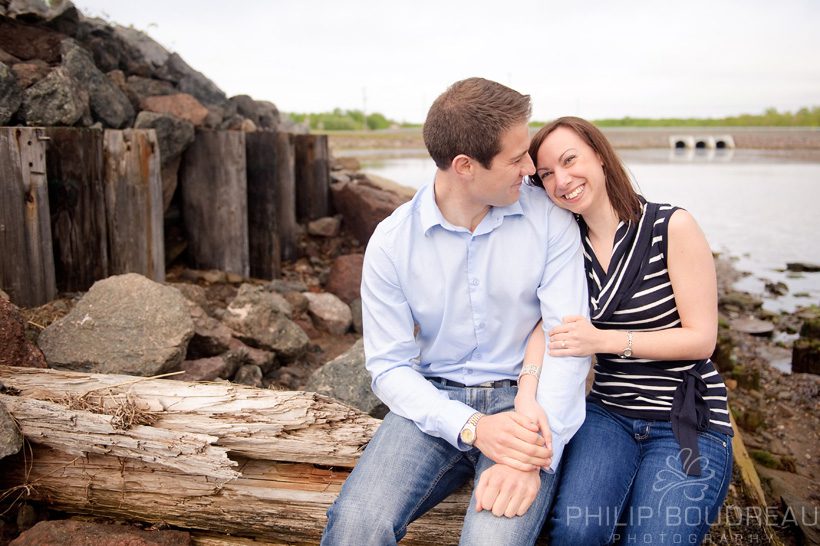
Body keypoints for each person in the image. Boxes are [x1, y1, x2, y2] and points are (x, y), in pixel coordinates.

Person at [320, 79, 591, 545]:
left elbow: (567, 340)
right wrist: (470, 426)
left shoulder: (549, 218)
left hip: (526, 403)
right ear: (465, 166)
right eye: (516, 159)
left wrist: (531, 454)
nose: (531, 169)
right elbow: (388, 366)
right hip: (433, 401)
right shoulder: (393, 242)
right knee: (356, 525)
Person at [518, 116, 734, 545]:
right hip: (609, 413)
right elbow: (547, 323)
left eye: (569, 160)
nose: (562, 180)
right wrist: (527, 390)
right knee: (576, 530)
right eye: (546, 174)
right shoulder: (567, 244)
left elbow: (701, 339)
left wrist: (604, 340)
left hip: (684, 417)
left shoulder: (670, 226)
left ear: (600, 155)